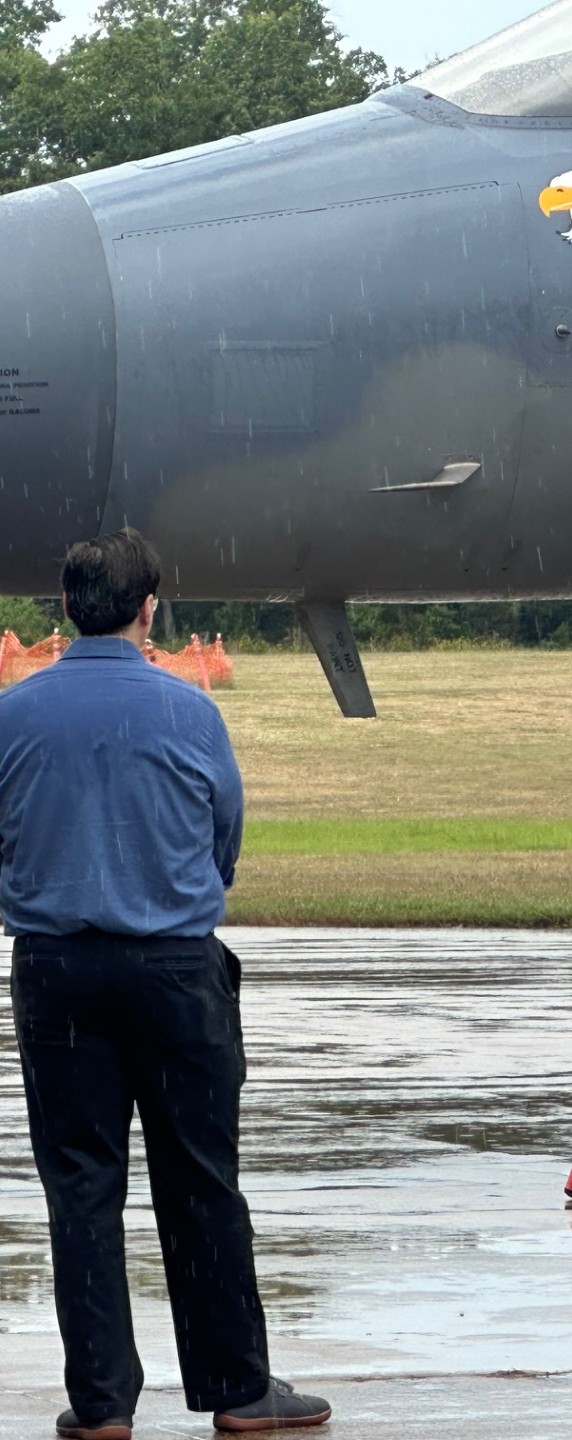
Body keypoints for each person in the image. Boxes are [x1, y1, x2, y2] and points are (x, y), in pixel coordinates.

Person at [0, 530, 330, 1439]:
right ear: (152, 608)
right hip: (175, 970)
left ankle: (103, 1402)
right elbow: (223, 841)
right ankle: (237, 1390)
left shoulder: (15, 714)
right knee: (201, 1183)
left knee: (81, 1187)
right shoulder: (190, 712)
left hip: (58, 969)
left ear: (64, 608)